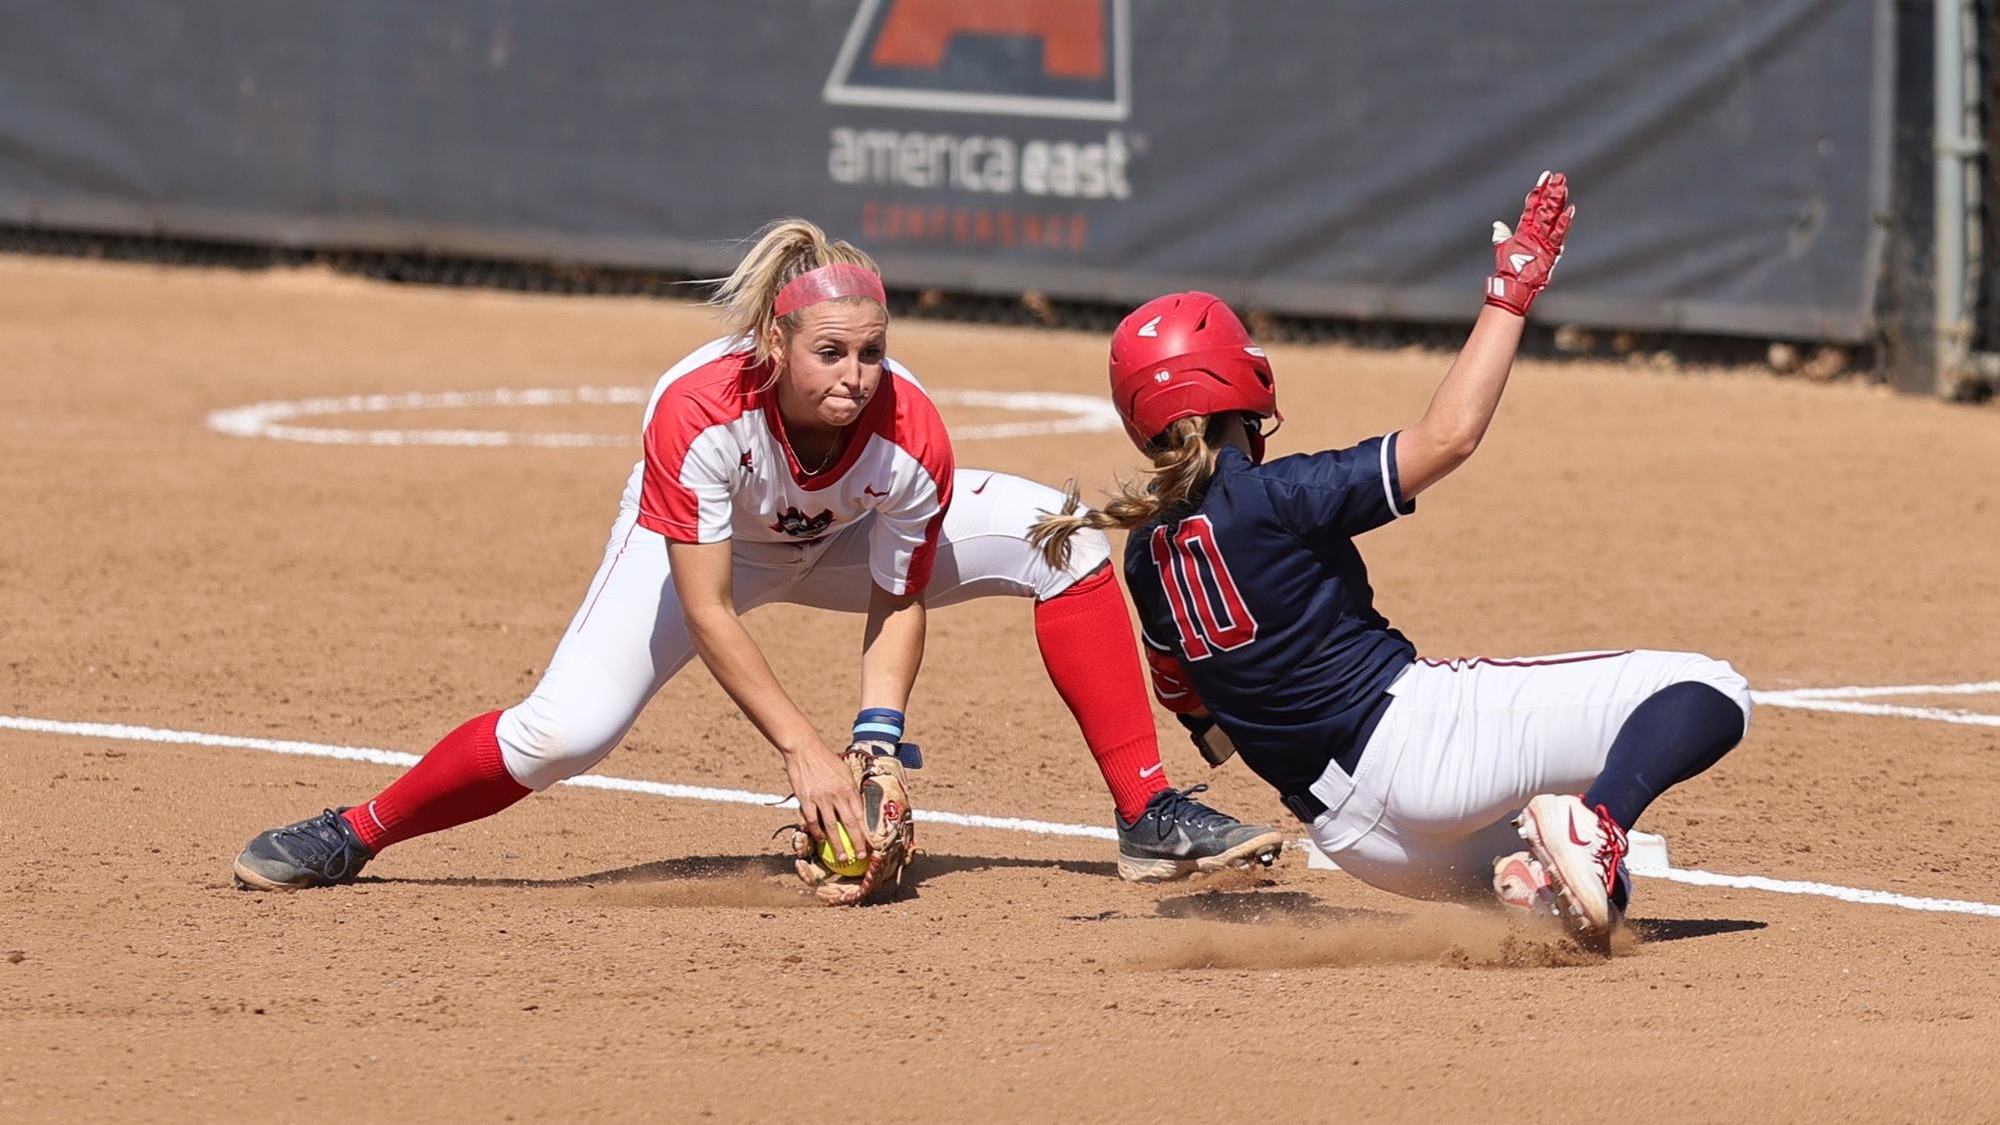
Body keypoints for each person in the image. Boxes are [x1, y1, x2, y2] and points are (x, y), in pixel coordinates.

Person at [232, 219, 1282, 896]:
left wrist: (875, 741)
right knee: (560, 736)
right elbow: (707, 609)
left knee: (1056, 535)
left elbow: (898, 593)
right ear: (773, 351)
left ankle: (1148, 815)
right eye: (831, 352)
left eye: (872, 351)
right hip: (708, 555)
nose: (857, 374)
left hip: (839, 540)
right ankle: (353, 832)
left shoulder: (908, 430)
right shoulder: (698, 417)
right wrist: (803, 752)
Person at [1029, 173, 1751, 939]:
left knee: (1593, 898)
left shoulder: (1147, 553)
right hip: (1418, 744)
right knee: (1709, 688)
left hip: (1363, 843)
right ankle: (1596, 824)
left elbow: (1200, 718)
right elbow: (1449, 438)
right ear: (1242, 379)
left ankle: (1541, 870)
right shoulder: (1275, 494)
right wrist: (1512, 294)